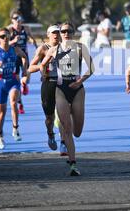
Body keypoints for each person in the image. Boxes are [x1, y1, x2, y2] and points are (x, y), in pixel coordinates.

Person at [39, 22, 95, 176]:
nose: (65, 34)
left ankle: (70, 118)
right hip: (60, 89)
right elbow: (42, 64)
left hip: (77, 90)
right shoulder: (54, 49)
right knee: (67, 128)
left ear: (73, 32)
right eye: (63, 31)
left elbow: (92, 68)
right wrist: (44, 74)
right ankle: (73, 164)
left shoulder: (80, 48)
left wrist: (80, 81)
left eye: (69, 31)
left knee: (77, 132)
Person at [0, 28, 29, 150]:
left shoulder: (15, 49)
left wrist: (24, 70)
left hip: (13, 81)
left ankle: (15, 128)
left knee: (14, 103)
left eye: (7, 36)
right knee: (2, 113)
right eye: (3, 36)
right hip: (1, 83)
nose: (5, 39)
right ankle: (0, 135)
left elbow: (24, 57)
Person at [28, 24, 63, 151]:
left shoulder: (65, 48)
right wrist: (43, 66)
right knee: (49, 118)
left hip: (61, 84)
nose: (56, 35)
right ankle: (50, 134)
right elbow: (30, 68)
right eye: (53, 33)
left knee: (63, 114)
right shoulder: (43, 49)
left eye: (58, 32)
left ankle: (64, 141)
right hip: (48, 83)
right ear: (48, 35)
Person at [8, 13, 37, 114]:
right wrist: (13, 41)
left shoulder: (26, 28)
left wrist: (35, 44)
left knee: (26, 76)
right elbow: (5, 44)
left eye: (19, 18)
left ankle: (23, 84)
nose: (18, 20)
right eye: (15, 18)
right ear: (12, 20)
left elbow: (32, 38)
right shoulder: (10, 30)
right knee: (16, 81)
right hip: (14, 57)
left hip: (24, 56)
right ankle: (20, 103)